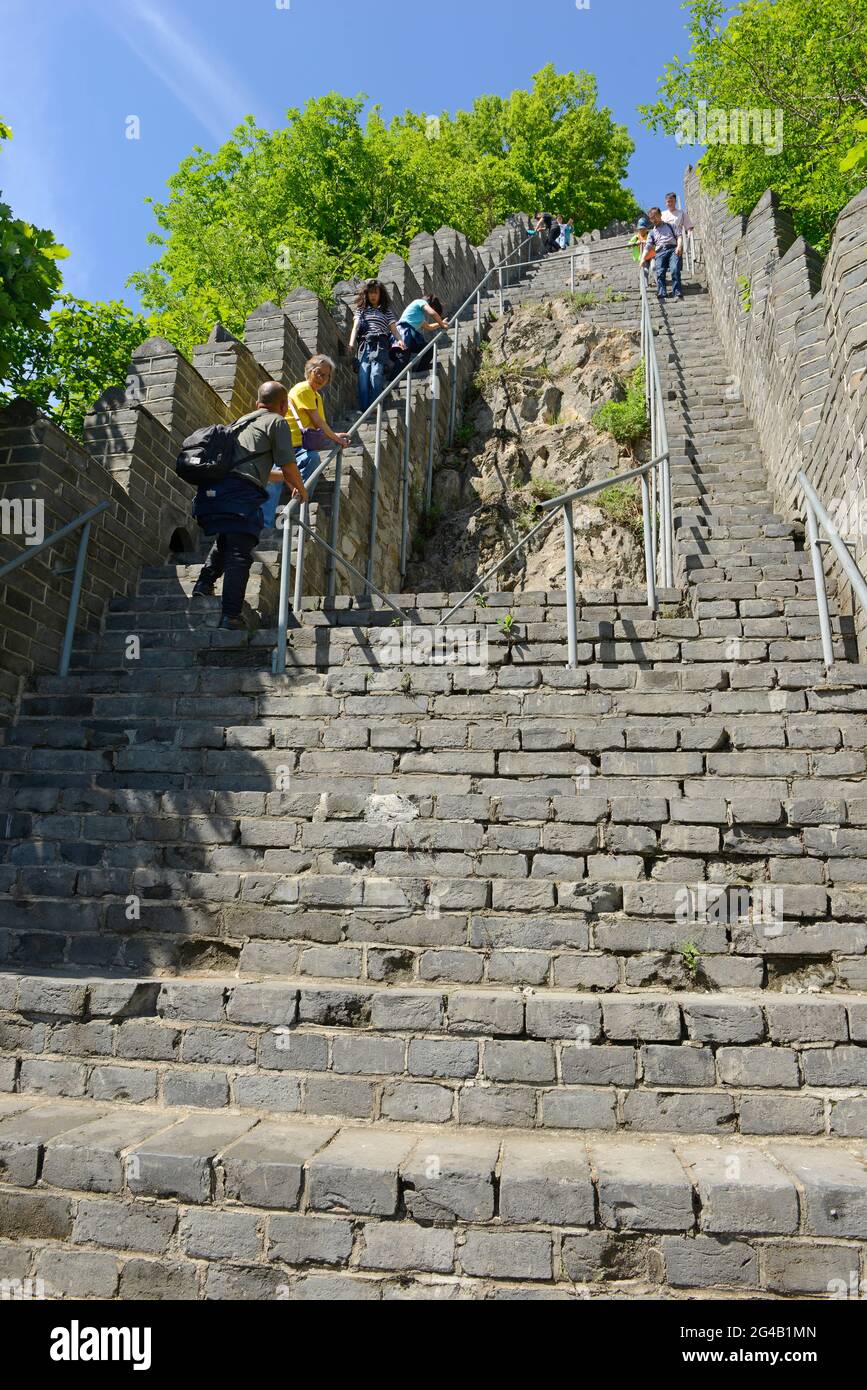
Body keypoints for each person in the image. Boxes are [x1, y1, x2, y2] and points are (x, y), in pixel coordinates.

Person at [191, 381, 307, 629]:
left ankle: (203, 583)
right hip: (241, 494)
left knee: (228, 537)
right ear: (284, 405)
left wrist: (288, 482)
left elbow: (259, 469)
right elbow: (288, 464)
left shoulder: (241, 422)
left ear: (257, 403)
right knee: (239, 553)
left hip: (218, 490)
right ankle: (230, 615)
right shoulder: (277, 422)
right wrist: (301, 488)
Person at [286, 355, 352, 505]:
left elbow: (318, 425)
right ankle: (300, 500)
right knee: (312, 458)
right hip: (289, 445)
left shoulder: (316, 396)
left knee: (313, 458)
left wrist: (334, 435)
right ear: (309, 371)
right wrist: (337, 440)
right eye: (318, 373)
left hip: (300, 446)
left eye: (326, 376)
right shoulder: (304, 389)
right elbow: (318, 422)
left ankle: (300, 500)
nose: (321, 378)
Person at [348, 279, 406, 413]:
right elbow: (355, 327)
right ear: (367, 294)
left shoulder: (386, 311)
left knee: (375, 374)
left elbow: (394, 330)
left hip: (380, 345)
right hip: (364, 345)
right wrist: (351, 343)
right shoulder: (361, 310)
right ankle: (364, 409)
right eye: (370, 293)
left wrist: (400, 340)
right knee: (363, 376)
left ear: (380, 294)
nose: (373, 295)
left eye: (376, 293)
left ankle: (374, 407)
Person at [392, 294, 450, 373]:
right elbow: (432, 313)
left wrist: (441, 323)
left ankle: (420, 370)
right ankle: (392, 381)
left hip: (409, 337)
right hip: (403, 333)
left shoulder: (419, 315)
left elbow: (429, 327)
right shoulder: (420, 302)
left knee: (429, 349)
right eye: (433, 308)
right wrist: (442, 324)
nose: (431, 309)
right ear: (431, 305)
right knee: (403, 358)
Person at [642, 207, 681, 301]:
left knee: (675, 270)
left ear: (660, 215)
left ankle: (677, 293)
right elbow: (648, 246)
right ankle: (662, 293)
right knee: (660, 273)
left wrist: (679, 246)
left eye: (655, 216)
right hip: (659, 252)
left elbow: (679, 236)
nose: (653, 219)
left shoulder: (671, 226)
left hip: (672, 249)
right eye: (651, 218)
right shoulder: (652, 233)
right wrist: (642, 258)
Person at [661, 191, 694, 289]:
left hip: (677, 242)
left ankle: (677, 286)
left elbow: (689, 226)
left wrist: (689, 234)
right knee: (663, 267)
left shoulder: (681, 213)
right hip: (664, 243)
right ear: (665, 202)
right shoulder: (662, 214)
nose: (669, 203)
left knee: (676, 266)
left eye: (671, 201)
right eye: (668, 201)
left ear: (675, 201)